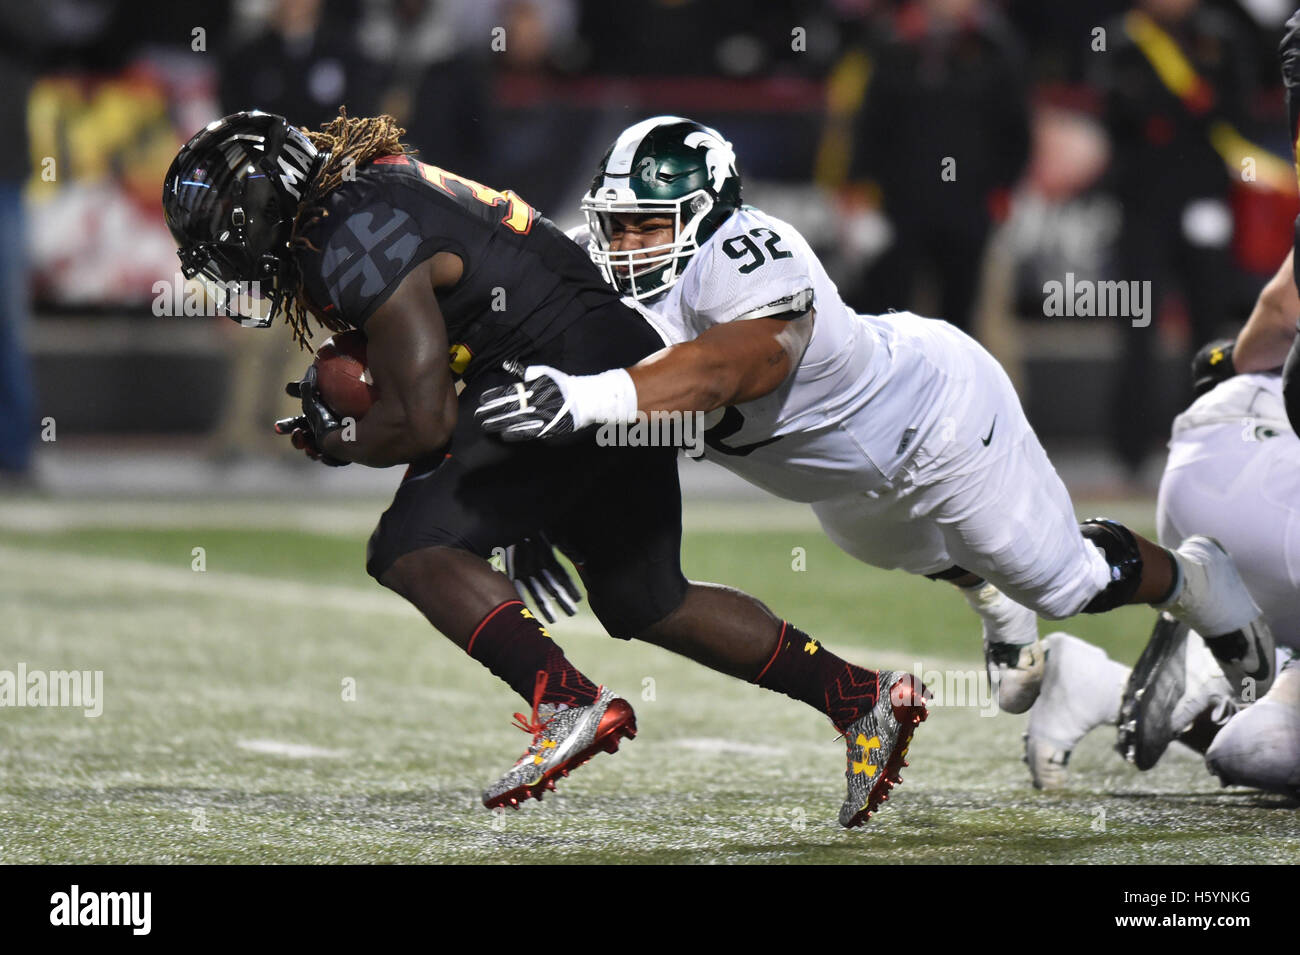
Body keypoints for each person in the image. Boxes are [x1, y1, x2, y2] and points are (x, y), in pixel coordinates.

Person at [162, 109, 927, 829]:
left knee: (409, 547)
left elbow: (426, 419)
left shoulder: (342, 231)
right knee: (644, 597)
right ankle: (860, 697)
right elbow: (449, 373)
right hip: (600, 359)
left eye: (220, 235)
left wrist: (346, 440)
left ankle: (566, 700)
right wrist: (514, 506)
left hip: (556, 378)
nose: (224, 258)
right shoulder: (366, 193)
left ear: (258, 206)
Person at [476, 115, 1277, 718]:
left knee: (1062, 582)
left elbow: (734, 366)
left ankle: (1200, 581)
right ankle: (992, 597)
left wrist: (589, 398)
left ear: (711, 214)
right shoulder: (598, 267)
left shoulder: (753, 251)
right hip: (841, 474)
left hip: (940, 420)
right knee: (884, 544)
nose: (624, 243)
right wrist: (526, 507)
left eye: (648, 223)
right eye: (614, 222)